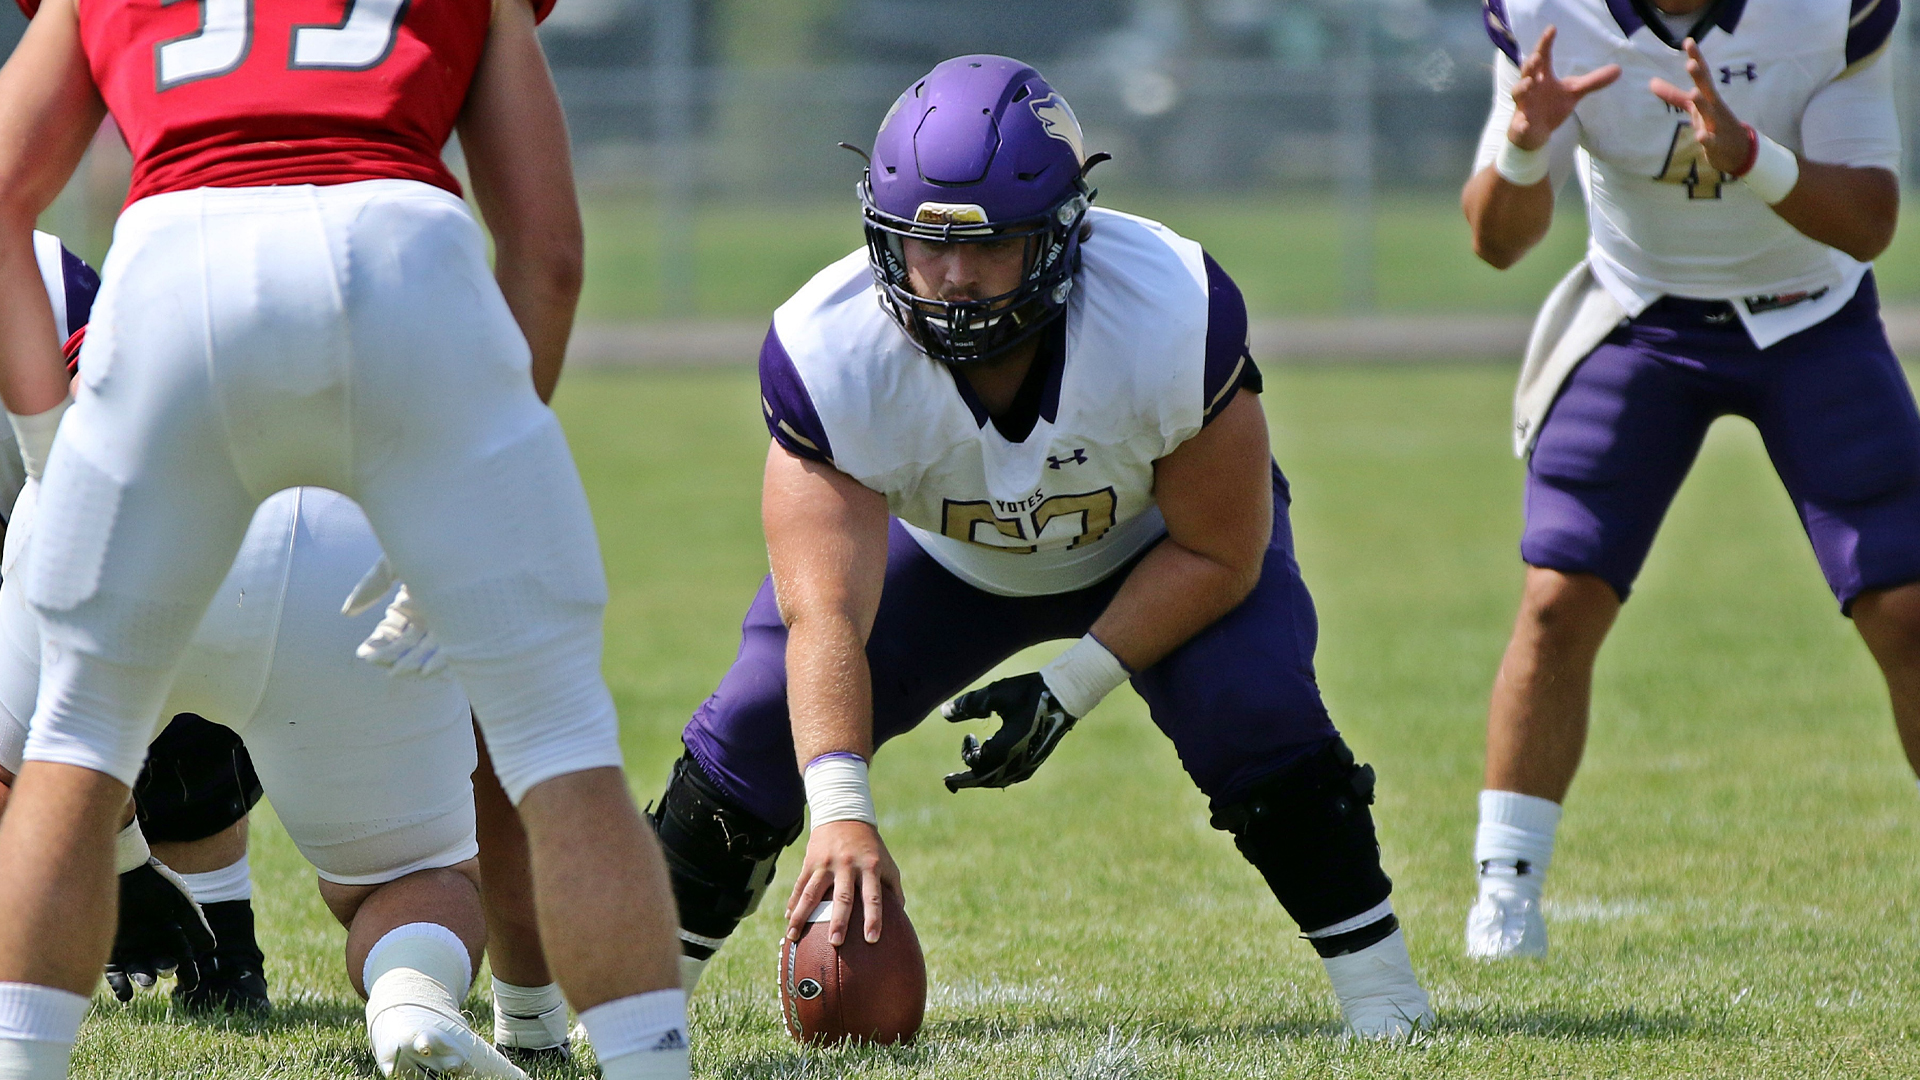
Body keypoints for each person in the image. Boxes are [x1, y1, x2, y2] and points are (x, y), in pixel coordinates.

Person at [640, 54, 1432, 1038]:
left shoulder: (1168, 309)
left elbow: (1221, 555)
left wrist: (1072, 685)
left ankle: (1383, 996)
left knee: (1252, 701)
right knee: (759, 722)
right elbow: (825, 614)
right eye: (928, 244)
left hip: (1157, 544)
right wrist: (842, 808)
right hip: (944, 558)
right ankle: (638, 1007)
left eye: (991, 245)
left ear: (1061, 235)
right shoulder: (829, 348)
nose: (955, 278)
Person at [0, 0, 686, 1070]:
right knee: (562, 746)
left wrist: (55, 461)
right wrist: (477, 490)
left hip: (181, 275)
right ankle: (636, 1054)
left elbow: (5, 191)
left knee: (75, 746)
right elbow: (548, 252)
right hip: (403, 265)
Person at [1462, 0, 1911, 959]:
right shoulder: (1550, 15)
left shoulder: (1821, 10)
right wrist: (1526, 150)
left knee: (1907, 600)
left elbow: (1870, 222)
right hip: (1641, 314)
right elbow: (1496, 241)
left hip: (1811, 316)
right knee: (1557, 596)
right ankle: (1506, 890)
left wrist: (1752, 156)